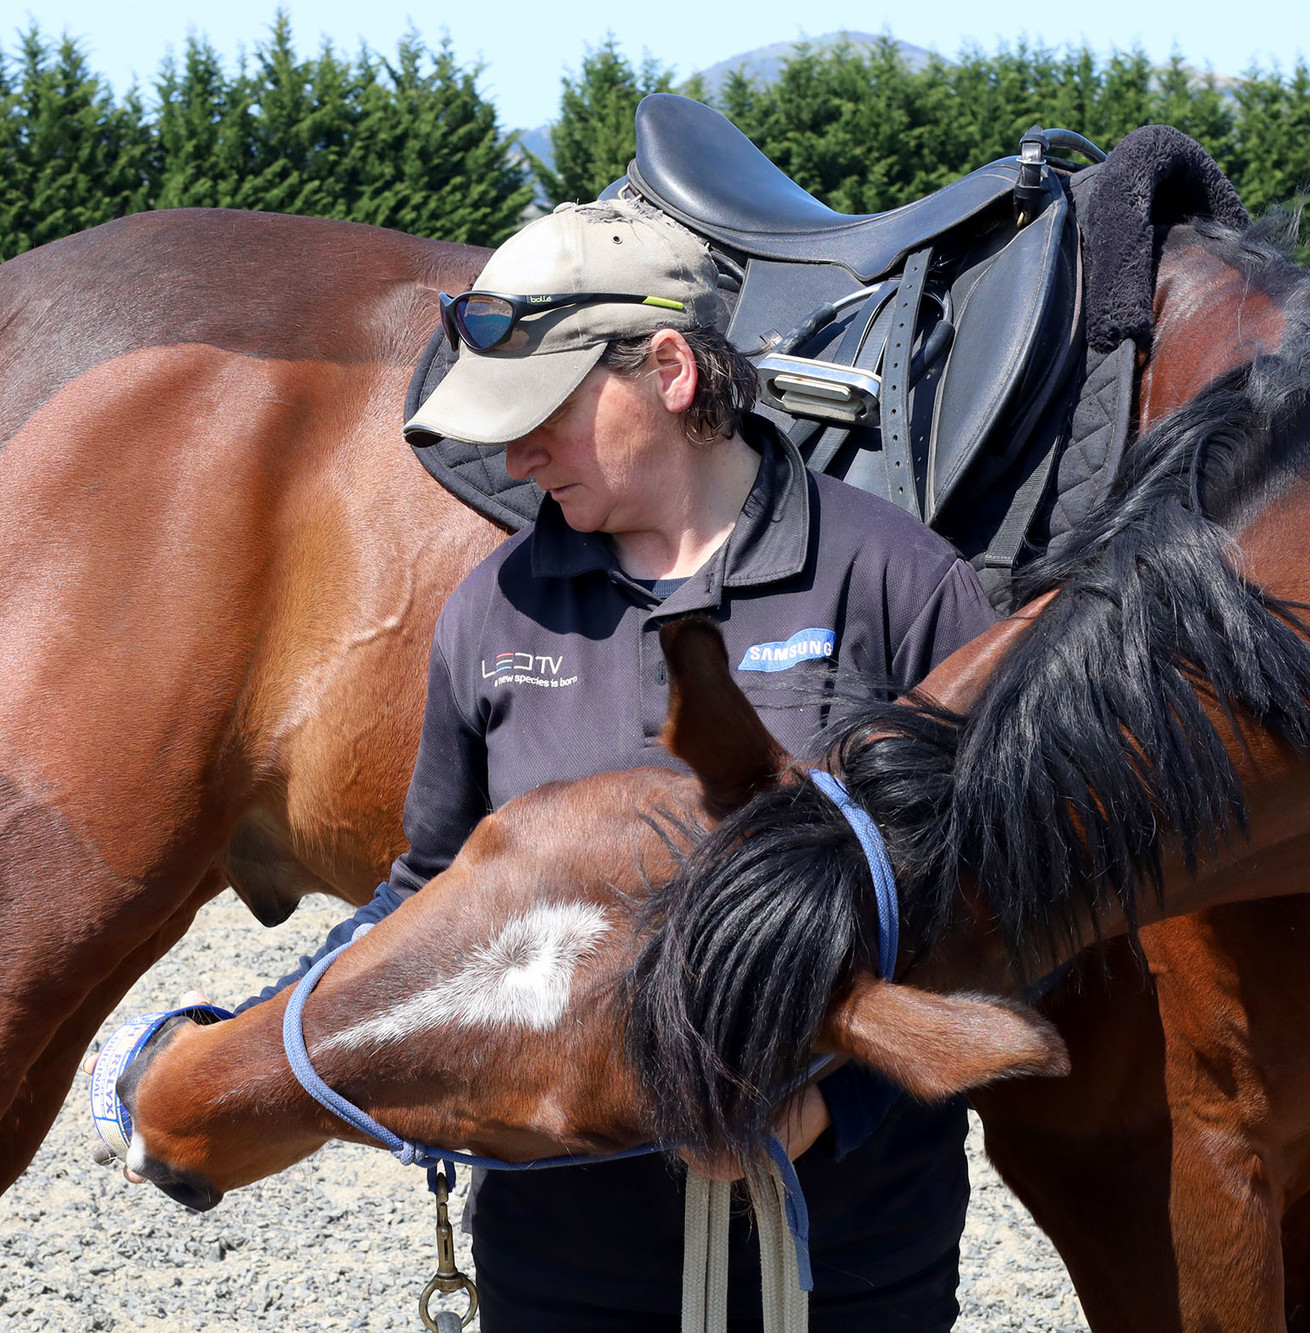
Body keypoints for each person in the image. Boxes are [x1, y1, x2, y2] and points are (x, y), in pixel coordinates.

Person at [266, 198, 996, 1329]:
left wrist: (822, 1106)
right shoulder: (493, 609)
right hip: (560, 1260)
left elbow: (1010, 910)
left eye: (542, 410)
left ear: (666, 368)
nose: (512, 455)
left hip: (845, 1251)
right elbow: (429, 888)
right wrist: (271, 1032)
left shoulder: (898, 583)